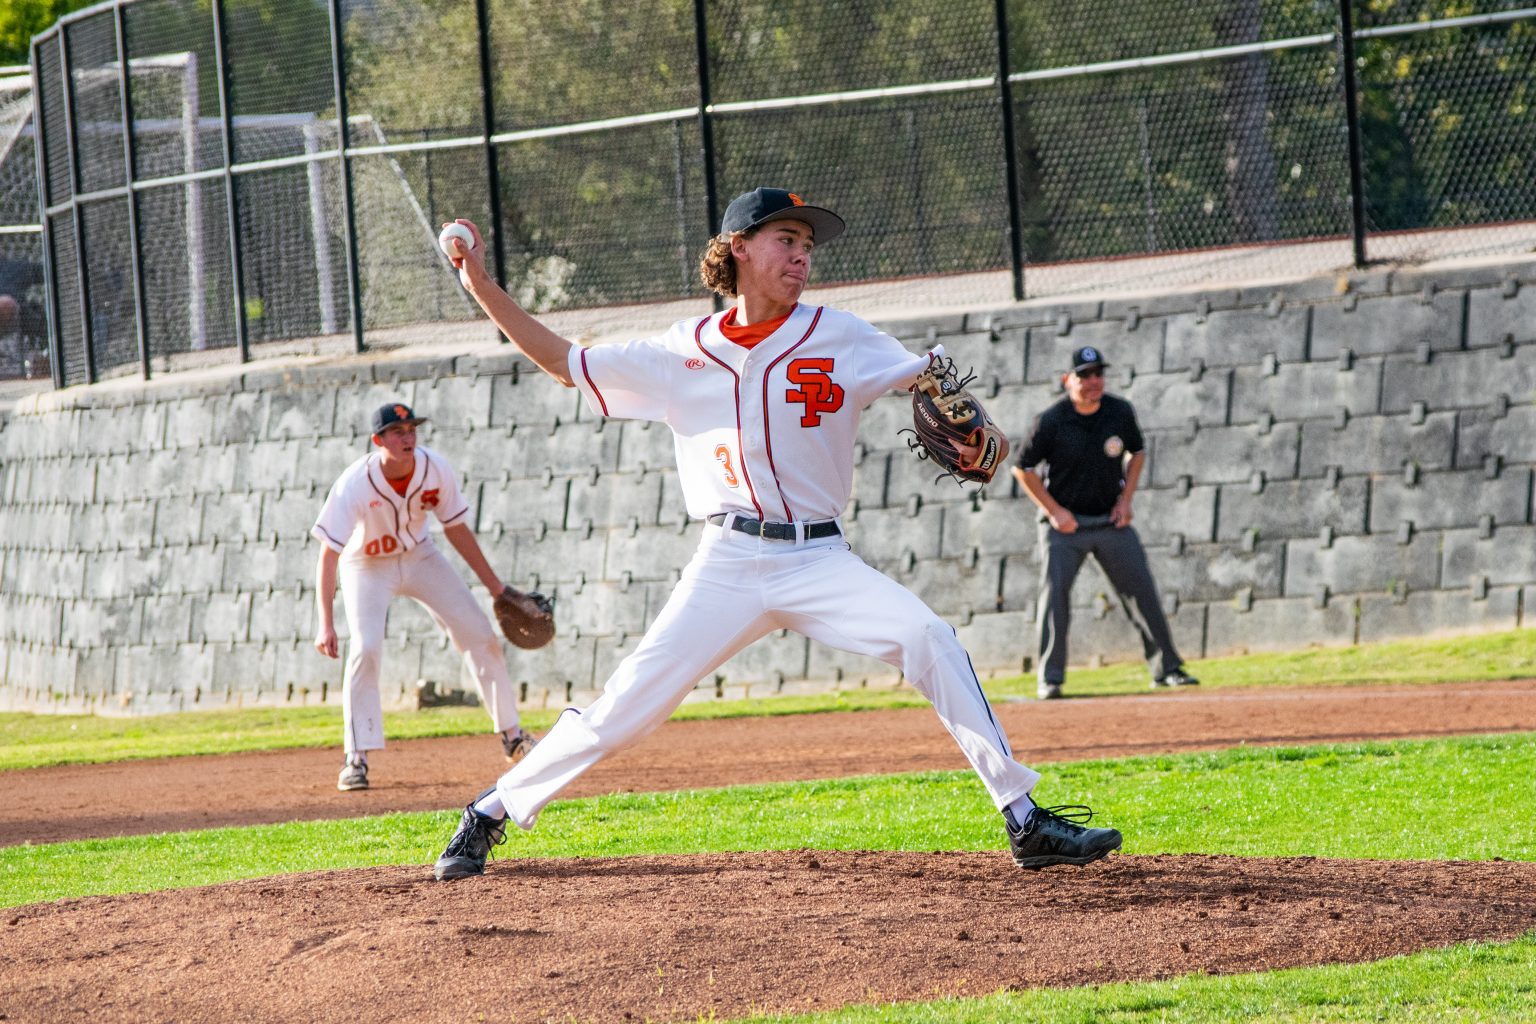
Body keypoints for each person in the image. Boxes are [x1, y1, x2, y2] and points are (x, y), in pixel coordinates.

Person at [428, 187, 1122, 880]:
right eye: (786, 240)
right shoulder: (684, 350)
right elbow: (564, 362)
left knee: (929, 638)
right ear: (739, 248)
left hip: (820, 558)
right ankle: (490, 811)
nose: (801, 256)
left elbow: (934, 388)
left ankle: (1023, 818)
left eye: (807, 245)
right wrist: (480, 283)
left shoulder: (841, 334)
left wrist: (978, 440)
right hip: (726, 563)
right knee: (626, 709)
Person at [312, 402, 536, 791]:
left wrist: (496, 589)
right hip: (366, 565)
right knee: (366, 648)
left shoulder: (435, 468)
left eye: (412, 429)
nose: (408, 437)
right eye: (398, 432)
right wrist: (325, 624)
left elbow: (456, 528)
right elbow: (329, 553)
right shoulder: (355, 483)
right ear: (378, 440)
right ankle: (356, 758)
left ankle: (512, 737)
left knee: (480, 634)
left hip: (420, 556)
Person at [1011, 346, 1198, 700]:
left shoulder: (1119, 411)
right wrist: (1054, 512)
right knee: (1055, 598)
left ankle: (1168, 669)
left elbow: (1137, 452)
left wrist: (1126, 501)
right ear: (1068, 380)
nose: (1093, 381)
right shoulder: (1051, 420)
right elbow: (1023, 469)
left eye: (1098, 373)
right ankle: (1050, 679)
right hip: (1065, 527)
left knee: (1142, 592)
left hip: (1110, 521)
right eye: (1084, 375)